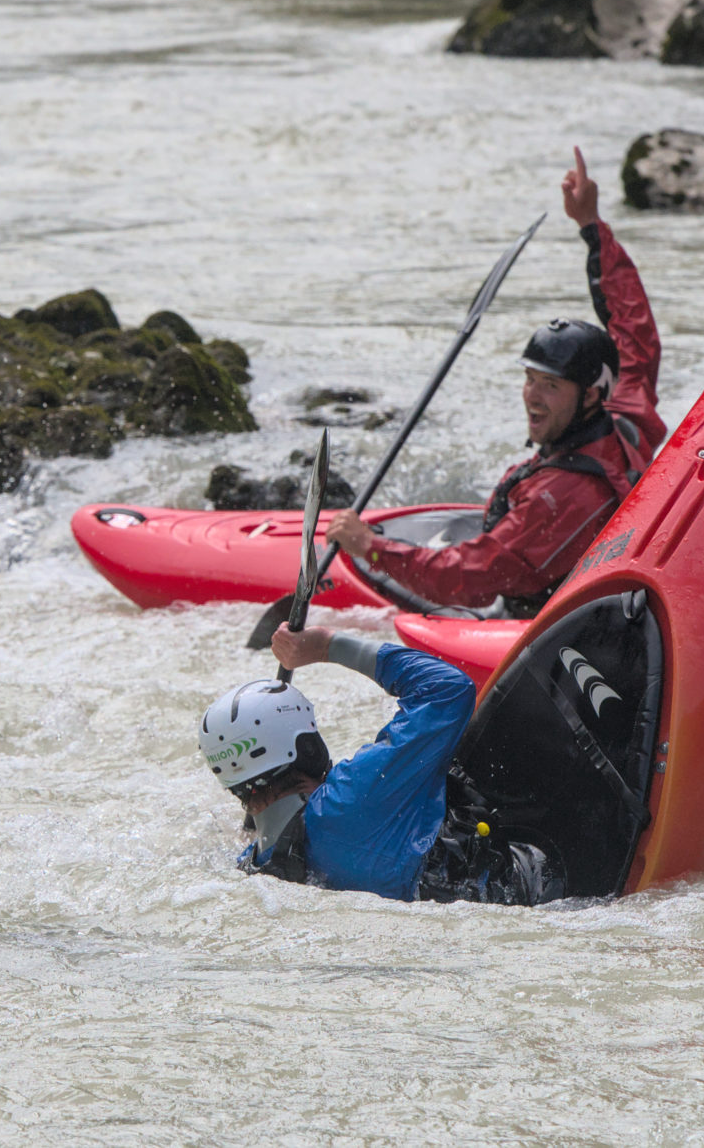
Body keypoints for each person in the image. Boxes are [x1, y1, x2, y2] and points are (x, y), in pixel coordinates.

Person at [324, 149, 665, 617]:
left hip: (535, 622)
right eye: (530, 380)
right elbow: (634, 332)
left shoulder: (560, 496)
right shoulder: (625, 422)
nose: (532, 397)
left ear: (589, 395)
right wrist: (592, 227)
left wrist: (371, 547)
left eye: (550, 386)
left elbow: (468, 580)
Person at [198, 621, 559, 904]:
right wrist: (329, 646)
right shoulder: (353, 795)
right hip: (541, 886)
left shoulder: (257, 863)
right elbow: (448, 689)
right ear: (306, 748)